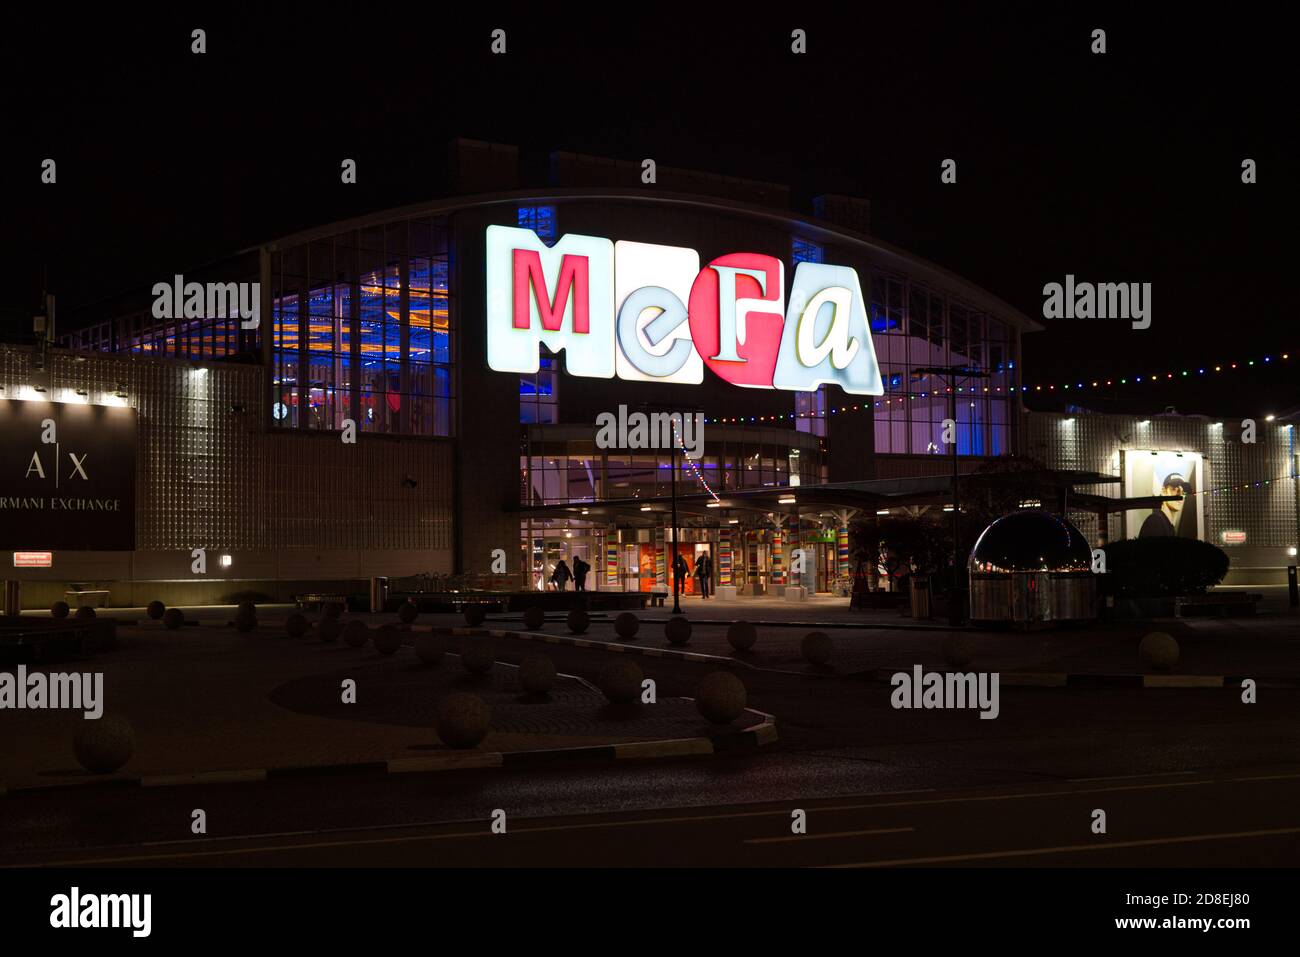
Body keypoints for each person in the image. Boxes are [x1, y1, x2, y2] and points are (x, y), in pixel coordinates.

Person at [1139, 473, 1191, 538]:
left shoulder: (1169, 526)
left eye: (1183, 491)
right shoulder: (1156, 522)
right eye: (1174, 489)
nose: (1180, 494)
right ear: (1163, 491)